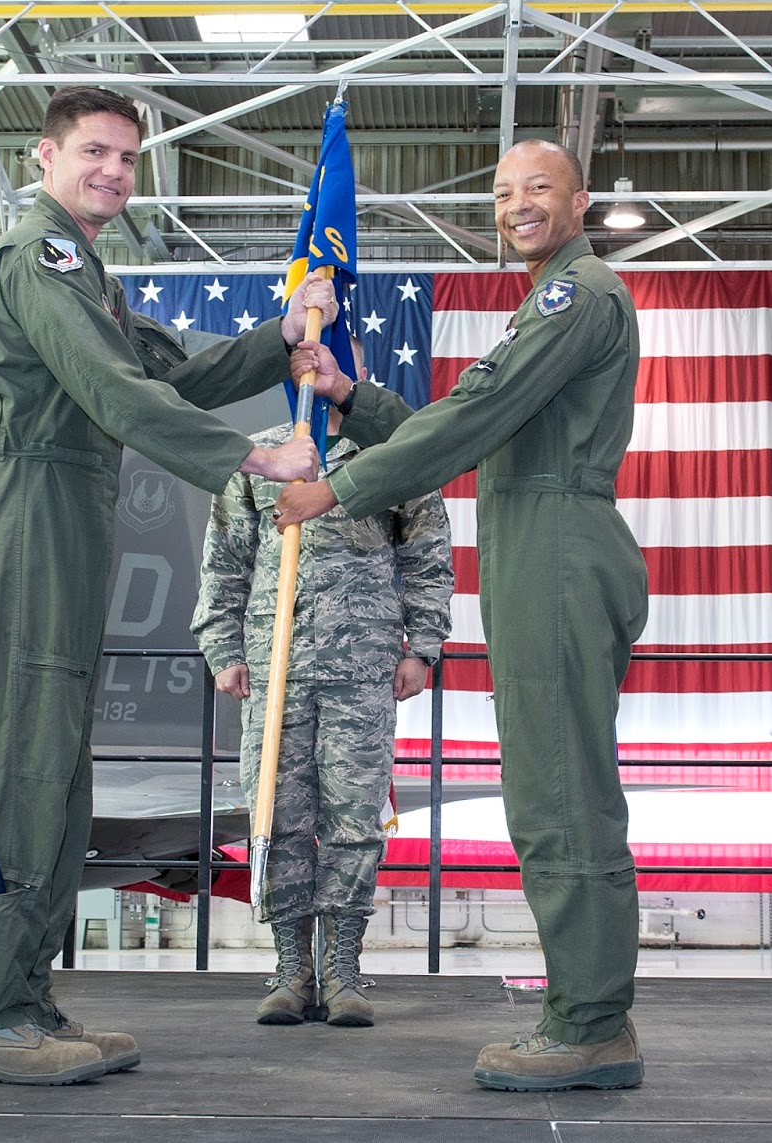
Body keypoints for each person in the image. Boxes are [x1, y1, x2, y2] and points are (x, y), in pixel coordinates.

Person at [0, 85, 345, 1085]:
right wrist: (254, 462)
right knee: (14, 766)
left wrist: (277, 339)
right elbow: (116, 390)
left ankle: (23, 997)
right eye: (95, 151)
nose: (113, 170)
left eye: (126, 155)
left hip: (65, 517)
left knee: (56, 769)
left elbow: (164, 368)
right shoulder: (41, 259)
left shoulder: (91, 279)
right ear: (46, 157)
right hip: (23, 511)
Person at [274, 139, 649, 1092]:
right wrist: (353, 398)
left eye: (539, 188)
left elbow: (474, 415)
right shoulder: (548, 297)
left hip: (559, 545)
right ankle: (587, 1014)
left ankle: (592, 1022)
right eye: (502, 191)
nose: (517, 204)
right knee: (545, 789)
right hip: (535, 540)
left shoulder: (579, 293)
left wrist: (340, 489)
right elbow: (472, 415)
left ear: (580, 200)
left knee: (564, 795)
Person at [190, 340, 453, 1029]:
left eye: (335, 358)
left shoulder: (392, 454)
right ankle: (289, 968)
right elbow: (224, 564)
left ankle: (342, 967)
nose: (317, 367)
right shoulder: (262, 458)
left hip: (362, 673)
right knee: (277, 815)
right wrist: (222, 646)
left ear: (355, 371)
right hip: (276, 675)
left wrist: (421, 646)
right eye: (307, 356)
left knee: (353, 820)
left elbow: (427, 558)